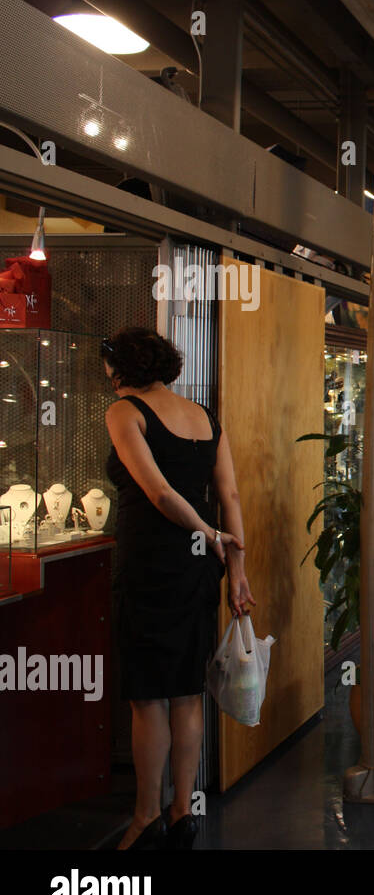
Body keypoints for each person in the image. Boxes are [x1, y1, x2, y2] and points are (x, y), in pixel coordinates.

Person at [104, 327, 256, 849]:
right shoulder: (204, 417)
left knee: (148, 699)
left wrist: (210, 534)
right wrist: (235, 569)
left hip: (150, 567)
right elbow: (229, 494)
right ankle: (181, 813)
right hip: (198, 571)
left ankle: (145, 817)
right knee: (187, 694)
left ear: (119, 368)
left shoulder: (124, 412)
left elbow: (160, 493)